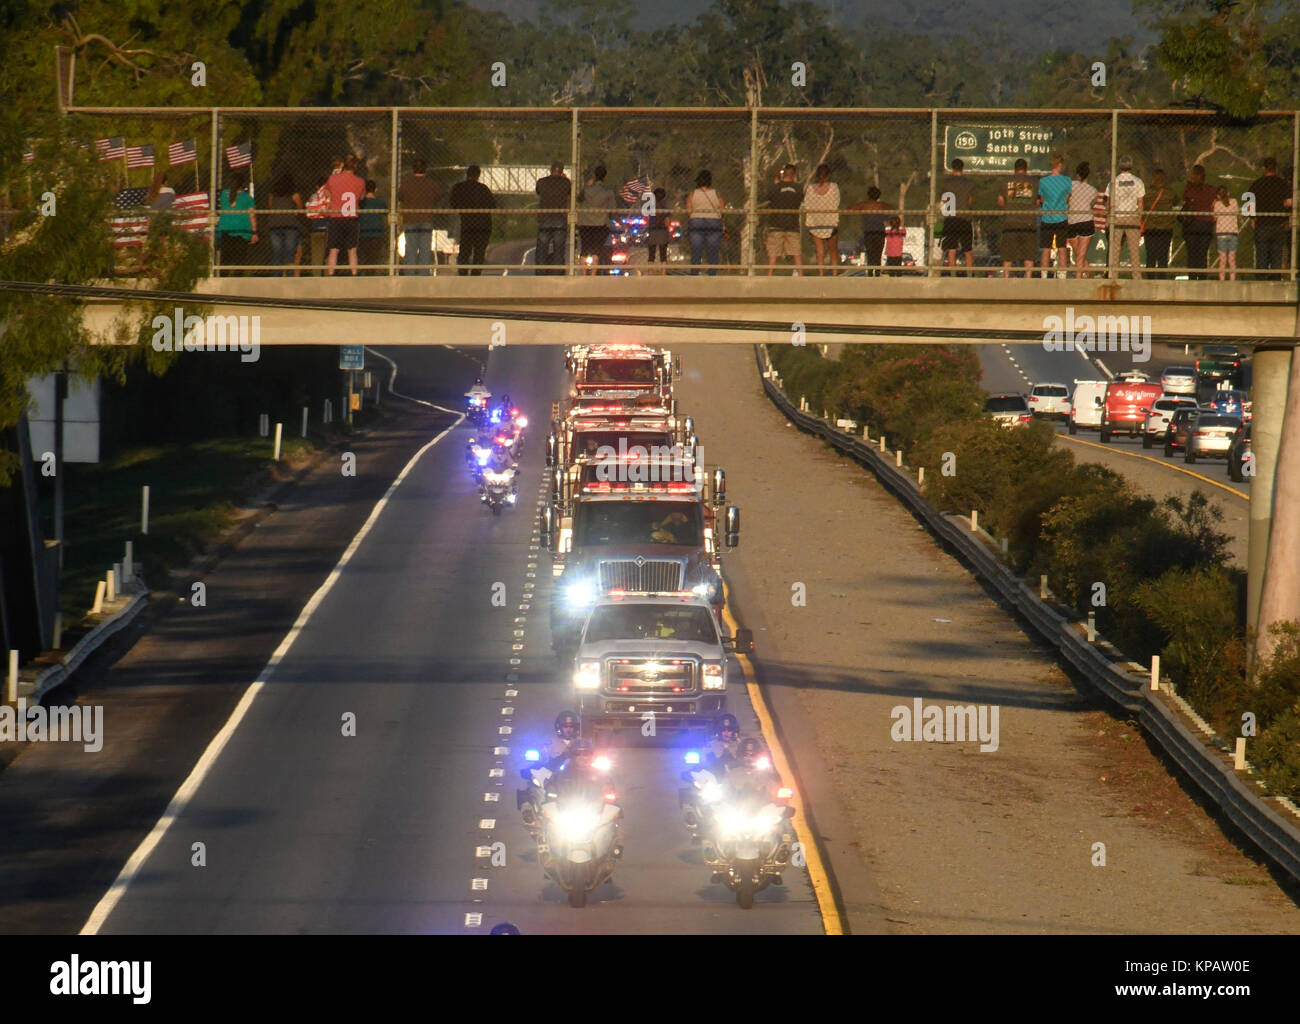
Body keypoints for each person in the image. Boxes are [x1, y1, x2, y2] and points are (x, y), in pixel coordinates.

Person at [1247, 157, 1293, 280]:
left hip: (1262, 224)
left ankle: (1261, 280)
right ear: (1276, 169)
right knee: (1277, 255)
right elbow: (1289, 203)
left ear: (1264, 169)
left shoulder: (1257, 184)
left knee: (1262, 255)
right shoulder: (1283, 184)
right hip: (1279, 223)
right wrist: (1287, 215)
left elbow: (1249, 204)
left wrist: (1252, 218)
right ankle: (1275, 279)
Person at [449, 165, 496, 276]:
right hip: (484, 225)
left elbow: (453, 203)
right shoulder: (483, 189)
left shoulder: (459, 188)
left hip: (467, 224)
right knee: (479, 252)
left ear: (467, 174)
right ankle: (475, 274)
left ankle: (463, 273)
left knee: (465, 251)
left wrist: (464, 208)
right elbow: (492, 205)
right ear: (478, 175)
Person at [398, 158, 441, 275]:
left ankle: (410, 273)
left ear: (413, 169)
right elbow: (438, 196)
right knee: (425, 249)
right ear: (425, 169)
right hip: (426, 218)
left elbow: (400, 196)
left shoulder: (407, 183)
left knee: (410, 248)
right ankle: (423, 274)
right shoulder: (430, 183)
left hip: (410, 219)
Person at [1104, 155, 1145, 279]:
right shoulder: (1138, 181)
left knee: (1115, 249)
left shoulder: (1113, 182)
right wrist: (1139, 218)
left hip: (1117, 216)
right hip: (1132, 216)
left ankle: (1113, 275)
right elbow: (1140, 202)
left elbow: (1108, 202)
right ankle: (1136, 276)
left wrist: (1108, 217)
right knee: (1134, 250)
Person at [326, 154, 365, 276]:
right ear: (355, 166)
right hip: (351, 218)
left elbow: (327, 192)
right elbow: (361, 197)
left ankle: (331, 274)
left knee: (334, 250)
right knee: (352, 250)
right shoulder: (360, 181)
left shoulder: (333, 179)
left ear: (343, 165)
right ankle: (354, 274)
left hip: (336, 217)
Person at [997, 158, 1037, 278]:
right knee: (1029, 254)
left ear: (1015, 169)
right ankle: (1028, 277)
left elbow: (1000, 201)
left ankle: (1006, 277)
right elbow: (1038, 201)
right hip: (1029, 222)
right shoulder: (1034, 182)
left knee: (1008, 254)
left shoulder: (1006, 181)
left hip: (1011, 222)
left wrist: (1008, 208)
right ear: (1026, 169)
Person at [1178, 164, 1218, 280]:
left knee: (1192, 254)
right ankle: (1202, 277)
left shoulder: (1189, 190)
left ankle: (1192, 277)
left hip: (1192, 225)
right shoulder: (1211, 190)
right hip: (1206, 224)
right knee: (1202, 254)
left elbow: (1184, 203)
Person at [216, 168, 258, 274]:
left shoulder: (224, 195)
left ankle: (223, 279)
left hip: (226, 230)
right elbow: (252, 216)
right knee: (240, 260)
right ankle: (238, 278)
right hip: (242, 230)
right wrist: (254, 232)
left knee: (225, 260)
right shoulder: (247, 198)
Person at [576, 164, 616, 275]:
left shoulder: (586, 190)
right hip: (600, 225)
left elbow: (578, 199)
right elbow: (612, 210)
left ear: (594, 176)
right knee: (596, 251)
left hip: (585, 224)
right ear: (605, 177)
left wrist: (587, 186)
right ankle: (593, 274)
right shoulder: (608, 192)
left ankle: (584, 273)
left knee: (584, 249)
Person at [802, 163, 840, 276]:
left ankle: (821, 274)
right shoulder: (834, 187)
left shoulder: (810, 189)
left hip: (815, 223)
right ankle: (834, 273)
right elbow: (836, 202)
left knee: (820, 251)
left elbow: (807, 204)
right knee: (833, 250)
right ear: (828, 175)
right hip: (830, 222)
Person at [764, 164, 803, 276]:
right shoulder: (798, 188)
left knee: (773, 254)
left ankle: (769, 276)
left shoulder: (775, 188)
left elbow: (769, 198)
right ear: (793, 175)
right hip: (792, 225)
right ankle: (801, 276)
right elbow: (800, 199)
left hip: (776, 224)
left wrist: (777, 183)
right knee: (796, 253)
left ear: (783, 174)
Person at [1037, 152, 1071, 277]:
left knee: (1046, 248)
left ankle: (1044, 274)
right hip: (1061, 217)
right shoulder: (1066, 180)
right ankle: (1062, 274)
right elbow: (1067, 198)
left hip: (1047, 218)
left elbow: (1042, 199)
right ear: (1059, 165)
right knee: (1062, 247)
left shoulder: (1043, 181)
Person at [939, 158, 975, 274]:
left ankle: (952, 274)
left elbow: (944, 200)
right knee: (968, 250)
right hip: (965, 218)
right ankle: (970, 274)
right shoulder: (969, 183)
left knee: (952, 249)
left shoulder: (946, 183)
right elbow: (970, 200)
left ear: (952, 168)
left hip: (951, 218)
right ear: (962, 168)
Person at [685, 169, 725, 275]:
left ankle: (695, 272)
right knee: (713, 249)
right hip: (713, 221)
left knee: (696, 249)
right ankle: (712, 272)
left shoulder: (693, 194)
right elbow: (722, 208)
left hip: (696, 221)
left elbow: (688, 210)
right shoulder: (716, 193)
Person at [535, 161, 571, 274]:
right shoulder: (566, 183)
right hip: (560, 219)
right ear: (562, 171)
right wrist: (565, 178)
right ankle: (557, 274)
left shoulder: (541, 182)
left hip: (544, 218)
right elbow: (570, 193)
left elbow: (538, 191)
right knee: (559, 251)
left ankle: (540, 273)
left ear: (551, 170)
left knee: (542, 250)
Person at [265, 172, 304, 278]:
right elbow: (300, 208)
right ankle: (289, 276)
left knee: (277, 253)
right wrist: (294, 213)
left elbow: (270, 207)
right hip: (290, 225)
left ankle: (276, 276)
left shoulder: (272, 195)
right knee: (290, 253)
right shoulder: (294, 195)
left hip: (275, 225)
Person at [849, 186, 890, 276]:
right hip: (878, 232)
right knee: (878, 253)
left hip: (870, 232)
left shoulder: (865, 205)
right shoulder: (882, 205)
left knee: (870, 252)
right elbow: (892, 209)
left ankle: (871, 272)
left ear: (868, 195)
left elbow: (851, 209)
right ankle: (877, 272)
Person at [1066, 162, 1098, 278]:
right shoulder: (1093, 190)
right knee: (1081, 254)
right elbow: (1092, 205)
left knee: (1078, 254)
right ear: (1087, 175)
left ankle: (1079, 277)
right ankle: (1087, 274)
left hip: (1072, 221)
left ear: (1077, 175)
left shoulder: (1071, 185)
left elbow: (1067, 200)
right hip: (1086, 221)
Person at [1142, 168, 1174, 274]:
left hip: (1150, 228)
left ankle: (1150, 277)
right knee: (1163, 256)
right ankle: (1162, 277)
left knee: (1151, 255)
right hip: (1165, 228)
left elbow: (1143, 204)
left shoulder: (1147, 192)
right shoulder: (1169, 193)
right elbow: (1175, 200)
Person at [358, 180, 388, 275]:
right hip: (376, 233)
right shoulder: (380, 202)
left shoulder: (360, 203)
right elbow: (386, 213)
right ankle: (371, 275)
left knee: (364, 258)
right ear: (375, 190)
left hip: (363, 233)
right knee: (374, 258)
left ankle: (364, 274)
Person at [1213, 186, 1239, 282]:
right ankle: (1232, 279)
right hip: (1233, 232)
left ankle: (1222, 279)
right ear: (1228, 193)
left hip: (1221, 233)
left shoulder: (1217, 204)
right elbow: (1236, 213)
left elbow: (1215, 217)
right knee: (1232, 259)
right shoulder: (1234, 202)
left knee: (1222, 259)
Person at [646, 187, 671, 275]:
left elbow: (647, 219)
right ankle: (663, 273)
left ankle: (650, 272)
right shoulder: (665, 206)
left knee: (651, 254)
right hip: (663, 231)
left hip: (653, 231)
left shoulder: (650, 206)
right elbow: (667, 221)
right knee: (663, 254)